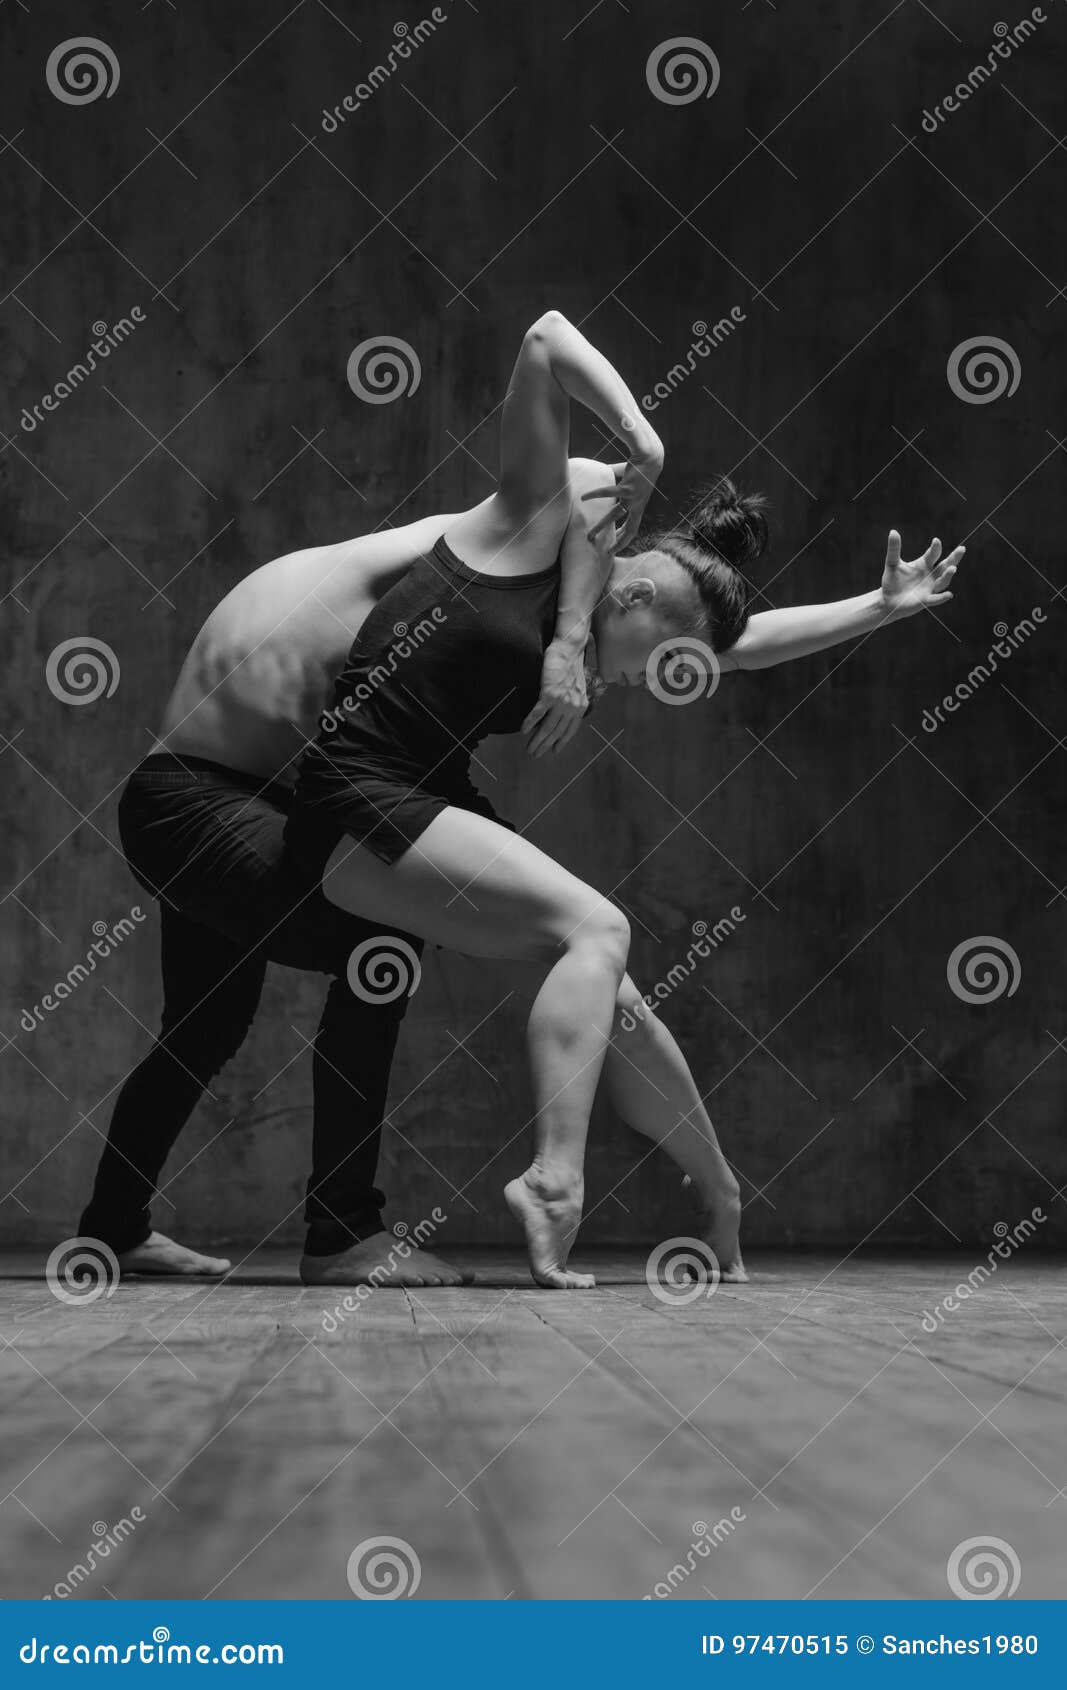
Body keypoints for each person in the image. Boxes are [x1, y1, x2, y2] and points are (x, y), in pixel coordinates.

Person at [281, 309, 965, 1289]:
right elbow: (545, 339)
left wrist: (878, 607)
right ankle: (555, 1182)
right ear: (637, 593)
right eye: (664, 661)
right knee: (597, 929)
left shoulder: (615, 618)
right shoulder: (542, 516)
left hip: (417, 794)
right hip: (350, 793)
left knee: (614, 996)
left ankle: (723, 1194)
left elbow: (750, 640)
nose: (653, 685)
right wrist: (645, 442)